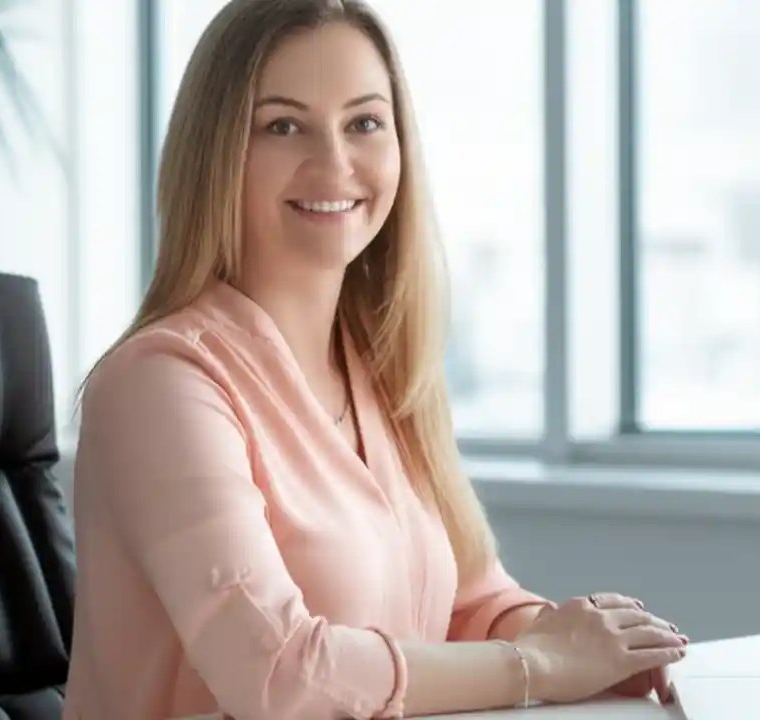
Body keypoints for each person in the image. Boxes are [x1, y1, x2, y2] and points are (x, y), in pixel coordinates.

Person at [61, 1, 686, 717]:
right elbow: (278, 674)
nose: (334, 163)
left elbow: (466, 606)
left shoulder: (381, 366)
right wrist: (538, 665)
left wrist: (583, 644)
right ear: (216, 151)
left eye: (363, 123)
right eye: (282, 126)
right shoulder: (159, 387)